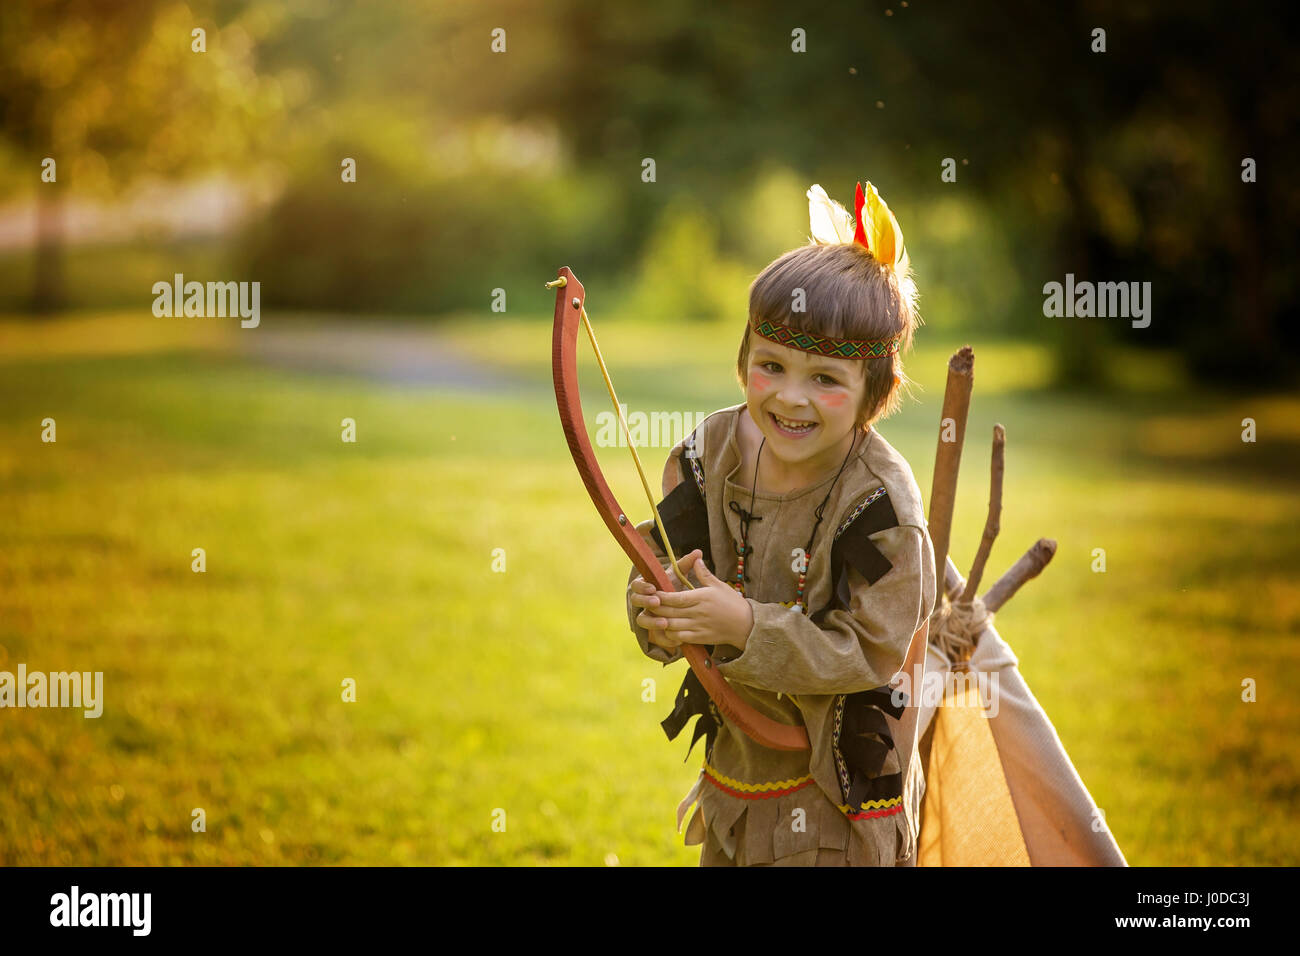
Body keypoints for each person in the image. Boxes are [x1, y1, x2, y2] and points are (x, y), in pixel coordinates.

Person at [626, 181, 937, 866]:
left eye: (826, 378)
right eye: (771, 366)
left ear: (873, 394)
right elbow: (659, 563)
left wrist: (742, 625)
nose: (790, 398)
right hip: (737, 782)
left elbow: (873, 653)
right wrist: (655, 609)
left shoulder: (883, 506)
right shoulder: (709, 454)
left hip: (841, 807)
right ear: (744, 363)